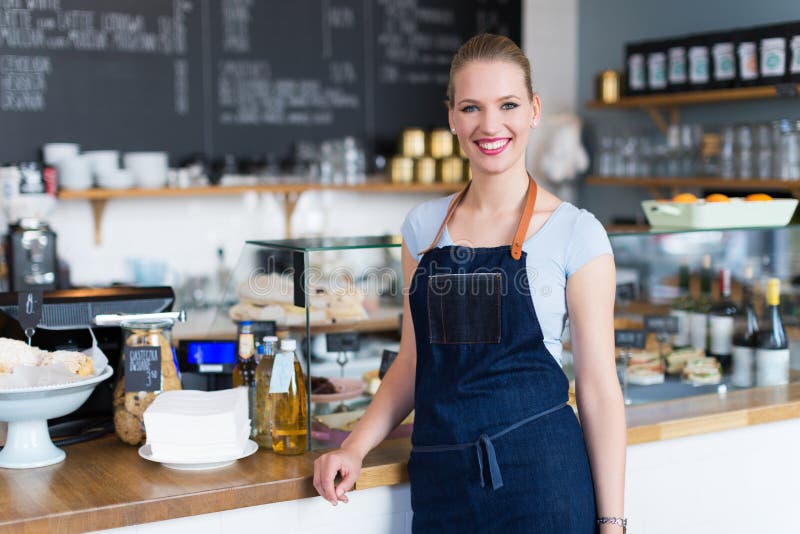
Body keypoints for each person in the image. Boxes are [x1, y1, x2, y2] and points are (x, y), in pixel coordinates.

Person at [313, 33, 626, 533]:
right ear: (453, 118)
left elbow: (598, 388)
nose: (490, 124)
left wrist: (612, 522)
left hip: (543, 480)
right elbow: (414, 362)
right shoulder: (422, 229)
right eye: (472, 107)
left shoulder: (577, 232)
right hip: (441, 481)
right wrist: (354, 445)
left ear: (534, 110)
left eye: (508, 104)